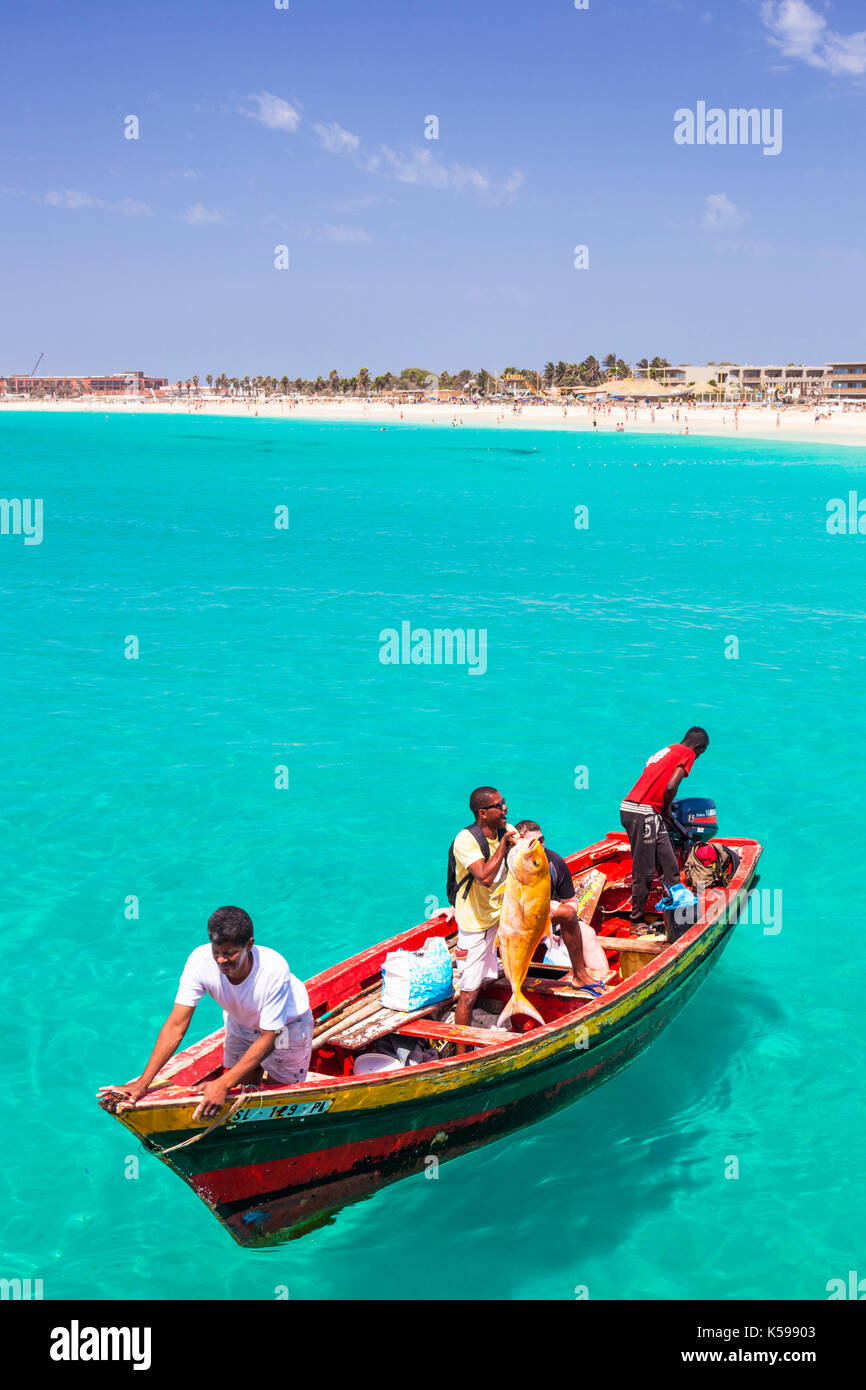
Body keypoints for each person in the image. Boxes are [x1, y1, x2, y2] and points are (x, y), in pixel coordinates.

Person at [98, 906, 314, 1119]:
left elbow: (269, 1038)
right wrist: (143, 1082)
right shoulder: (199, 962)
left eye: (230, 953)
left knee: (279, 1098)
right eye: (216, 952)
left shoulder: (274, 970)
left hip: (286, 1026)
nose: (221, 960)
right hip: (241, 1019)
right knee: (242, 1089)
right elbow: (176, 1026)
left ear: (249, 945)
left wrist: (221, 1083)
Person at [620, 729, 709, 933]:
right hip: (642, 812)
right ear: (699, 748)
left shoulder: (668, 750)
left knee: (669, 866)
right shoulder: (687, 753)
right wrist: (667, 812)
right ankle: (636, 921)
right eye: (700, 753)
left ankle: (677, 916)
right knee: (644, 870)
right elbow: (670, 787)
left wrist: (662, 814)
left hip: (644, 811)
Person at [450, 788, 518, 1042]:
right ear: (482, 813)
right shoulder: (465, 840)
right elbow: (485, 877)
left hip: (502, 918)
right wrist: (503, 845)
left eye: (504, 803)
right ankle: (461, 1052)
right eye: (499, 805)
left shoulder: (506, 829)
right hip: (475, 925)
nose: (505, 809)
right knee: (468, 993)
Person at [514, 819, 606, 990]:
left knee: (588, 934)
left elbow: (571, 902)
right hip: (520, 923)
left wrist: (556, 925)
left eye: (541, 840)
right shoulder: (511, 864)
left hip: (553, 918)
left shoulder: (553, 861)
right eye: (533, 842)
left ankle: (604, 983)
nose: (539, 846)